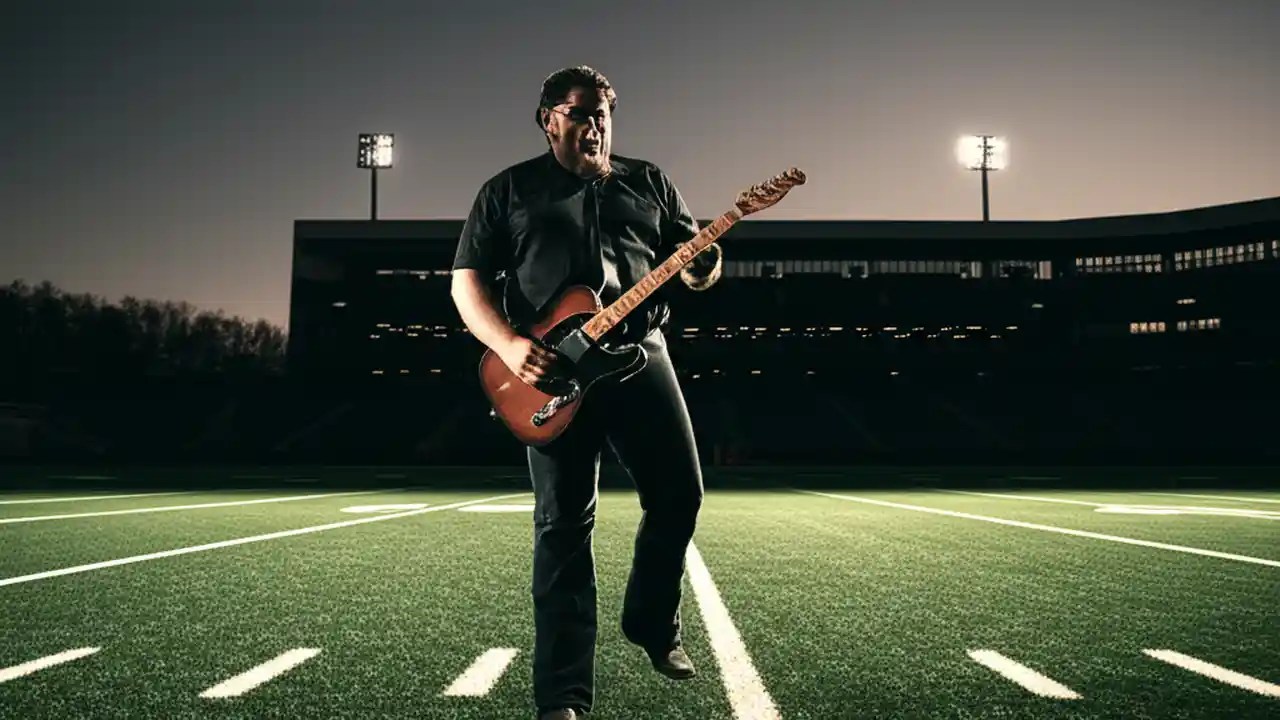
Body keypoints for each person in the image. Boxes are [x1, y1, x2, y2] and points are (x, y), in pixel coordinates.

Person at [449, 65, 722, 720]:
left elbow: (694, 265)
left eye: (605, 110)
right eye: (581, 112)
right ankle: (563, 698)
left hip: (640, 357)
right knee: (563, 526)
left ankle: (652, 625)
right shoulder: (507, 190)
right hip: (551, 373)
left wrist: (708, 264)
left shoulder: (648, 181)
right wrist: (513, 347)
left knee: (680, 494)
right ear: (549, 120)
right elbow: (466, 284)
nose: (596, 122)